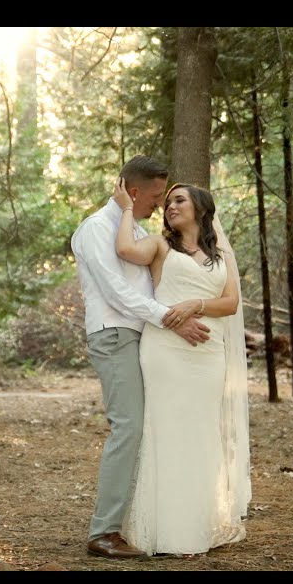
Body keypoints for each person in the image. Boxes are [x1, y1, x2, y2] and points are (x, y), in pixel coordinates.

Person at [70, 156, 211, 559]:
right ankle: (103, 532)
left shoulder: (137, 231)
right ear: (133, 192)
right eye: (155, 195)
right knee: (128, 428)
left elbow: (153, 287)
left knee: (151, 428)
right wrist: (170, 319)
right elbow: (116, 293)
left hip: (144, 337)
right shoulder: (96, 229)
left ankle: (150, 524)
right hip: (114, 335)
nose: (160, 204)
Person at [114, 180, 252, 556]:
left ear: (201, 208)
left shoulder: (221, 254)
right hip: (165, 352)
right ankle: (162, 531)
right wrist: (126, 208)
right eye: (168, 202)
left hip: (208, 357)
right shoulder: (161, 246)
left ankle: (194, 528)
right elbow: (125, 249)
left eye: (179, 200)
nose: (171, 207)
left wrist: (196, 304)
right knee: (166, 432)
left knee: (200, 434)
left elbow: (231, 303)